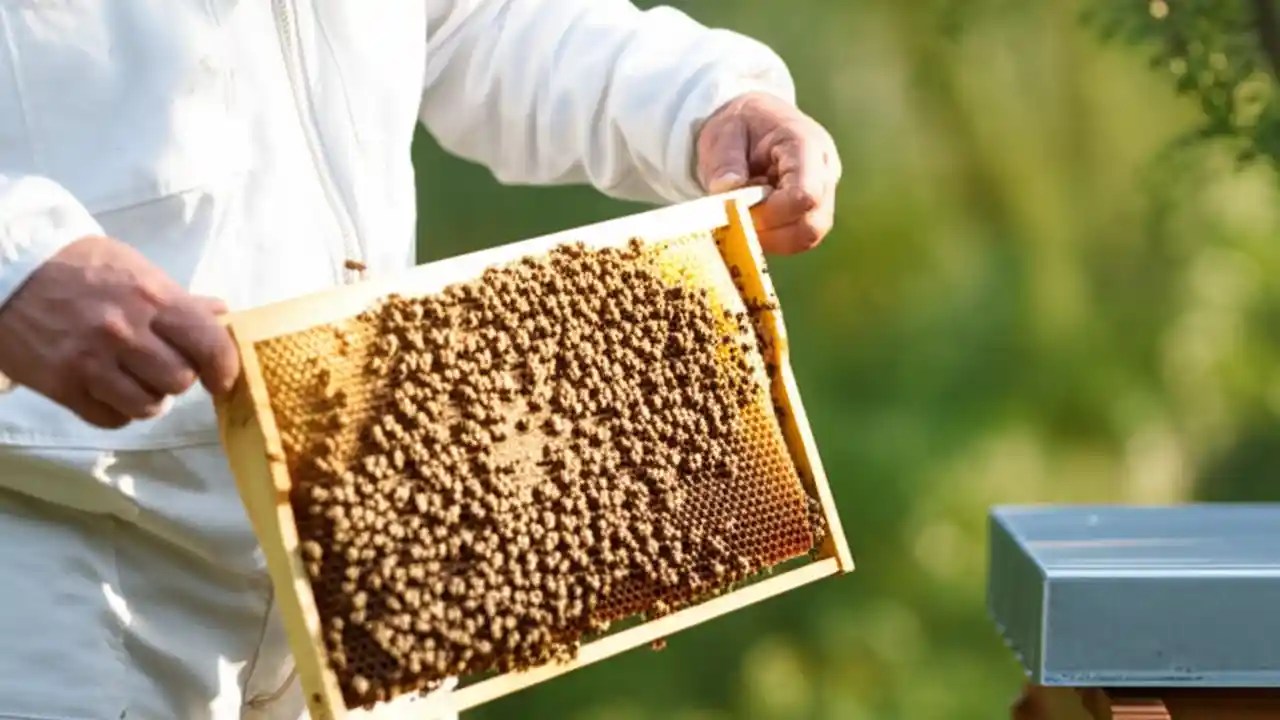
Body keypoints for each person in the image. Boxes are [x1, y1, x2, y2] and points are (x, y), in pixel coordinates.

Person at [0, 2, 841, 718]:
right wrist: (14, 266)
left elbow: (474, 17)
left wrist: (706, 100)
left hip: (379, 538)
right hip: (60, 564)